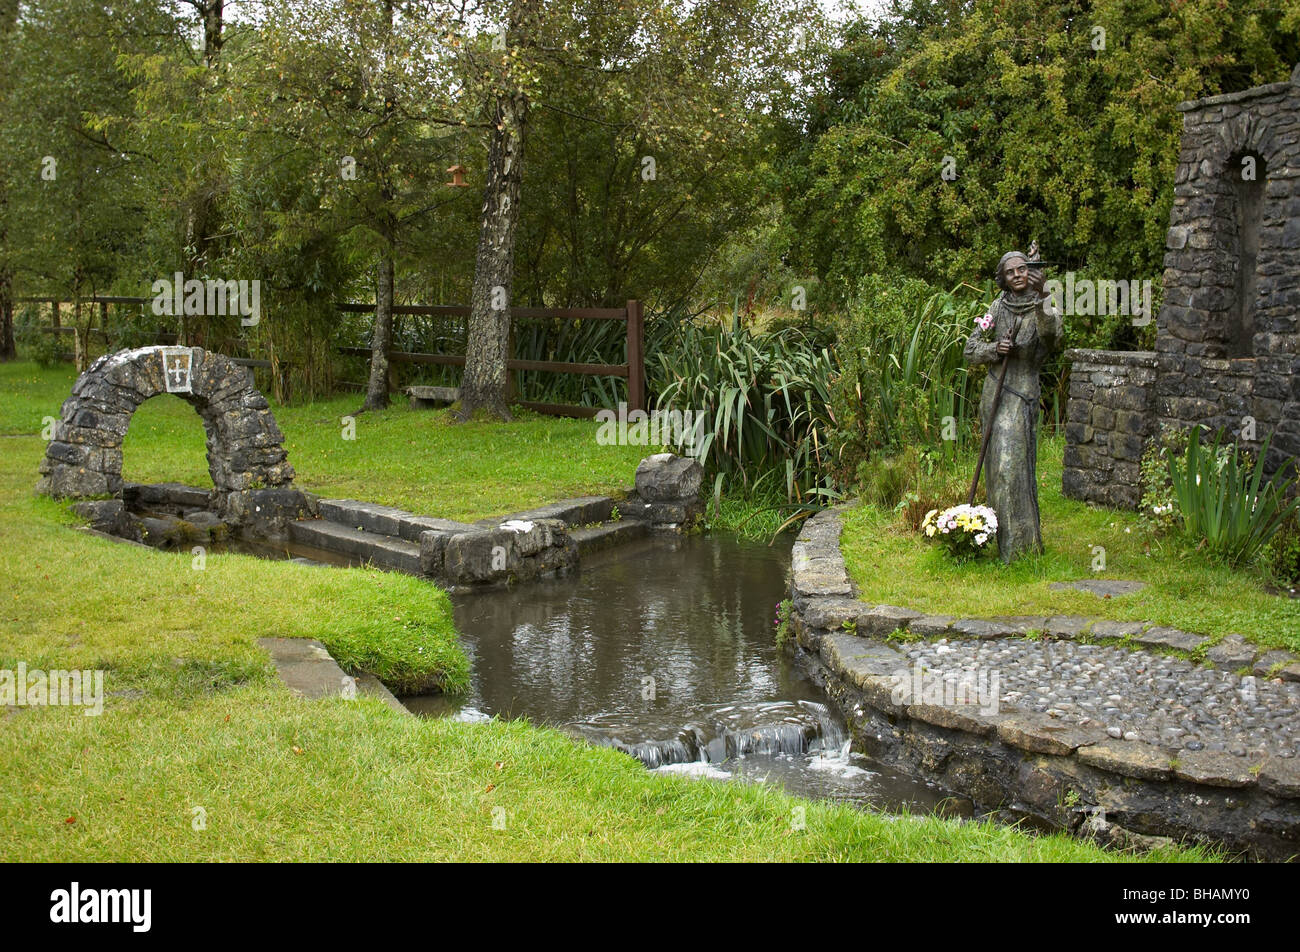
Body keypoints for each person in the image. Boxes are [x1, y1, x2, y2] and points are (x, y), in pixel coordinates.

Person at [963, 248, 1062, 562]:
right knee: (996, 471)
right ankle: (997, 539)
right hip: (995, 393)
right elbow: (971, 348)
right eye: (1011, 272)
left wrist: (1044, 292)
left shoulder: (1042, 307)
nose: (1018, 275)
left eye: (1023, 269)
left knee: (1012, 469)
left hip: (1021, 395)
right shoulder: (996, 307)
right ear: (1003, 279)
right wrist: (995, 348)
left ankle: (1020, 549)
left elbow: (1052, 337)